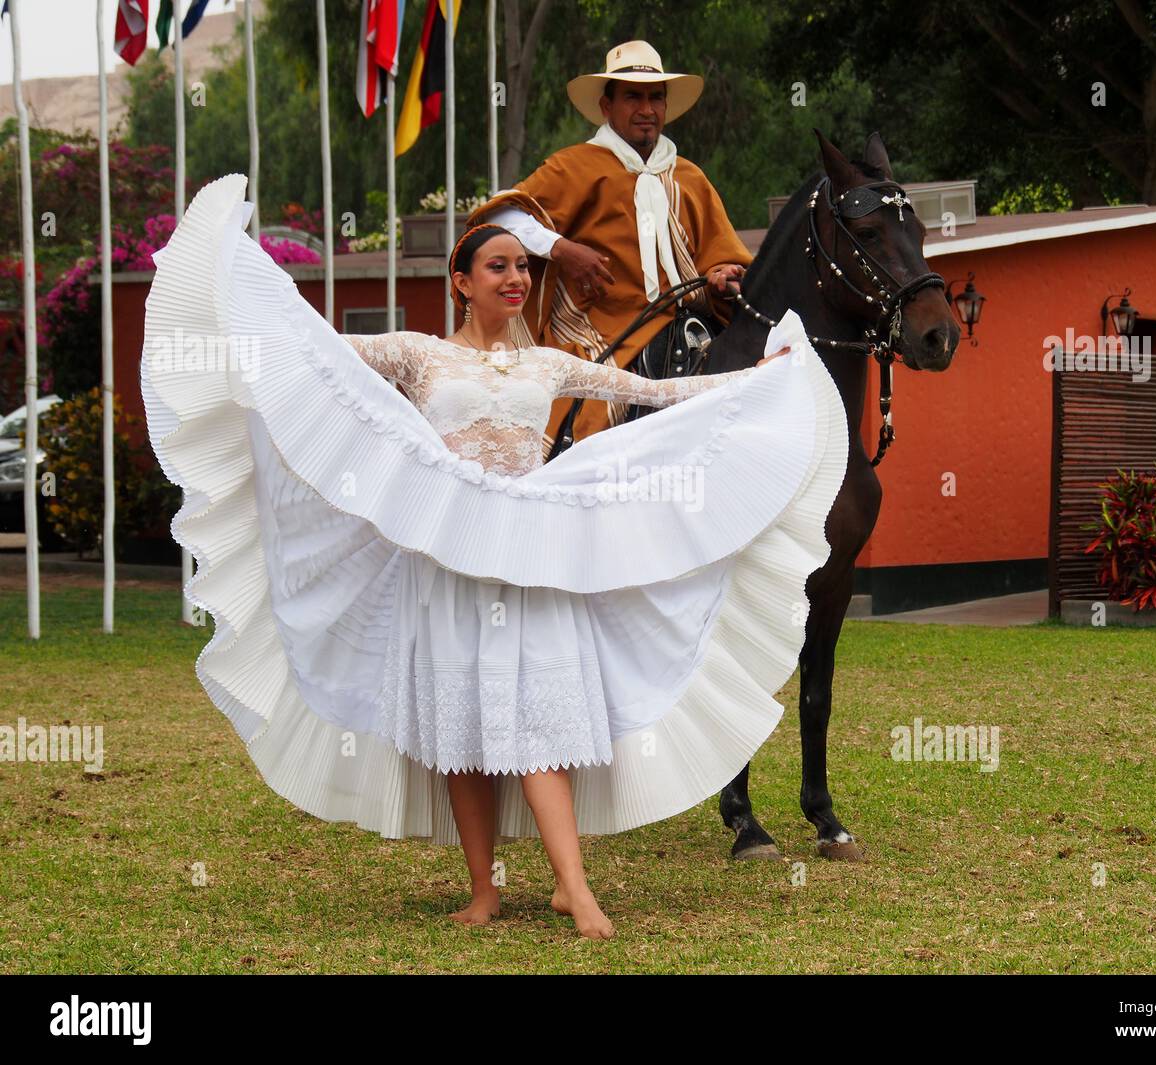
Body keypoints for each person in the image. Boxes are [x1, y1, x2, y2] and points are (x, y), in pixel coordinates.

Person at [140, 174, 847, 940]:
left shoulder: (547, 362)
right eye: (498, 267)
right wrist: (232, 297)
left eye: (522, 267)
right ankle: (484, 890)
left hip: (528, 551)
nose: (516, 279)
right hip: (443, 562)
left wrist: (765, 380)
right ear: (462, 283)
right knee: (462, 727)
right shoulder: (416, 355)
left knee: (540, 718)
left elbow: (663, 395)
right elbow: (312, 354)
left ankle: (573, 888)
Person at [467, 39, 752, 447]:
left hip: (692, 323)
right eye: (633, 96)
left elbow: (725, 256)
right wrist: (561, 250)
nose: (647, 109)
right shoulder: (575, 166)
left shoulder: (690, 177)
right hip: (602, 331)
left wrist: (724, 273)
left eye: (656, 97)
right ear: (607, 106)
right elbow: (498, 215)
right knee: (593, 422)